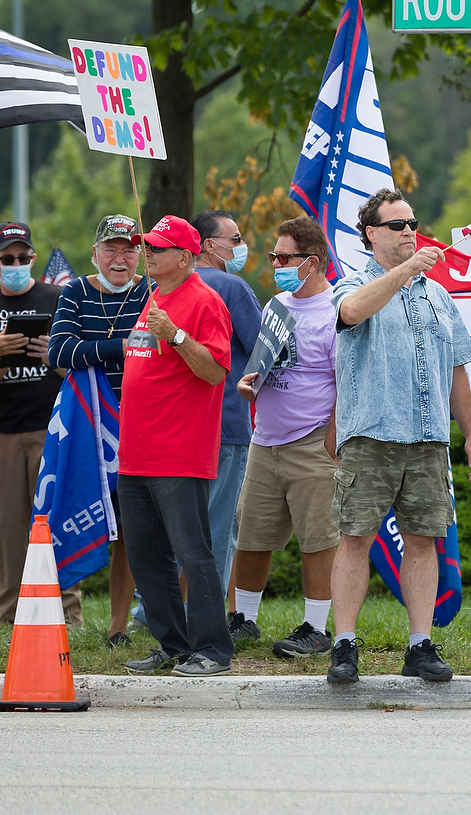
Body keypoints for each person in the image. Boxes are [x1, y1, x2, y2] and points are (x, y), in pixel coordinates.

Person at [327, 189, 471, 685]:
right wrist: (407, 269)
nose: (408, 231)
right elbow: (351, 313)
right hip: (371, 434)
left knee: (423, 542)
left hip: (428, 437)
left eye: (411, 223)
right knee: (354, 539)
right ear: (372, 233)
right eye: (396, 225)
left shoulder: (439, 295)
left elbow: (457, 366)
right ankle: (344, 645)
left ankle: (419, 645)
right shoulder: (353, 283)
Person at [118, 216, 234, 677]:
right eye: (148, 246)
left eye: (158, 249)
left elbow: (213, 371)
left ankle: (213, 650)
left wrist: (178, 336)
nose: (149, 254)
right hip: (137, 452)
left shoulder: (204, 301)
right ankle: (173, 645)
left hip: (179, 452)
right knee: (147, 556)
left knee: (194, 554)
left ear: (186, 258)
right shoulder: (155, 298)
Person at [228, 217, 340, 657]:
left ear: (311, 262)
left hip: (313, 440)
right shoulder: (276, 304)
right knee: (251, 533)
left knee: (319, 539)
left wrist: (332, 439)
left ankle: (316, 629)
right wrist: (247, 385)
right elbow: (262, 364)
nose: (275, 263)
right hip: (265, 439)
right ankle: (243, 619)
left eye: (283, 257)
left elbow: (343, 380)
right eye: (274, 256)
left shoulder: (336, 310)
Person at [47, 214, 151, 646]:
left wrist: (103, 351)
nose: (121, 258)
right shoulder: (75, 290)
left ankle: (119, 626)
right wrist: (119, 346)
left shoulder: (152, 291)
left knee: (131, 528)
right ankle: (57, 616)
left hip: (144, 422)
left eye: (130, 249)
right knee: (79, 511)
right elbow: (59, 351)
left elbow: (159, 348)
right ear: (95, 254)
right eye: (112, 249)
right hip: (90, 429)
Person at [0, 222, 81, 626]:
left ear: (33, 258)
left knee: (57, 519)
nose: (15, 264)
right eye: (7, 258)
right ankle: (10, 614)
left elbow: (79, 364)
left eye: (22, 257)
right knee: (6, 525)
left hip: (52, 425)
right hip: (2, 427)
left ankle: (68, 611)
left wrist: (50, 355)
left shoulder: (58, 297)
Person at [190, 210, 262, 599]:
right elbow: (265, 350)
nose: (240, 246)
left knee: (178, 525)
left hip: (180, 426)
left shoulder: (167, 287)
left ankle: (152, 613)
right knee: (217, 525)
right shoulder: (231, 287)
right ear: (207, 245)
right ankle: (207, 614)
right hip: (226, 422)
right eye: (234, 239)